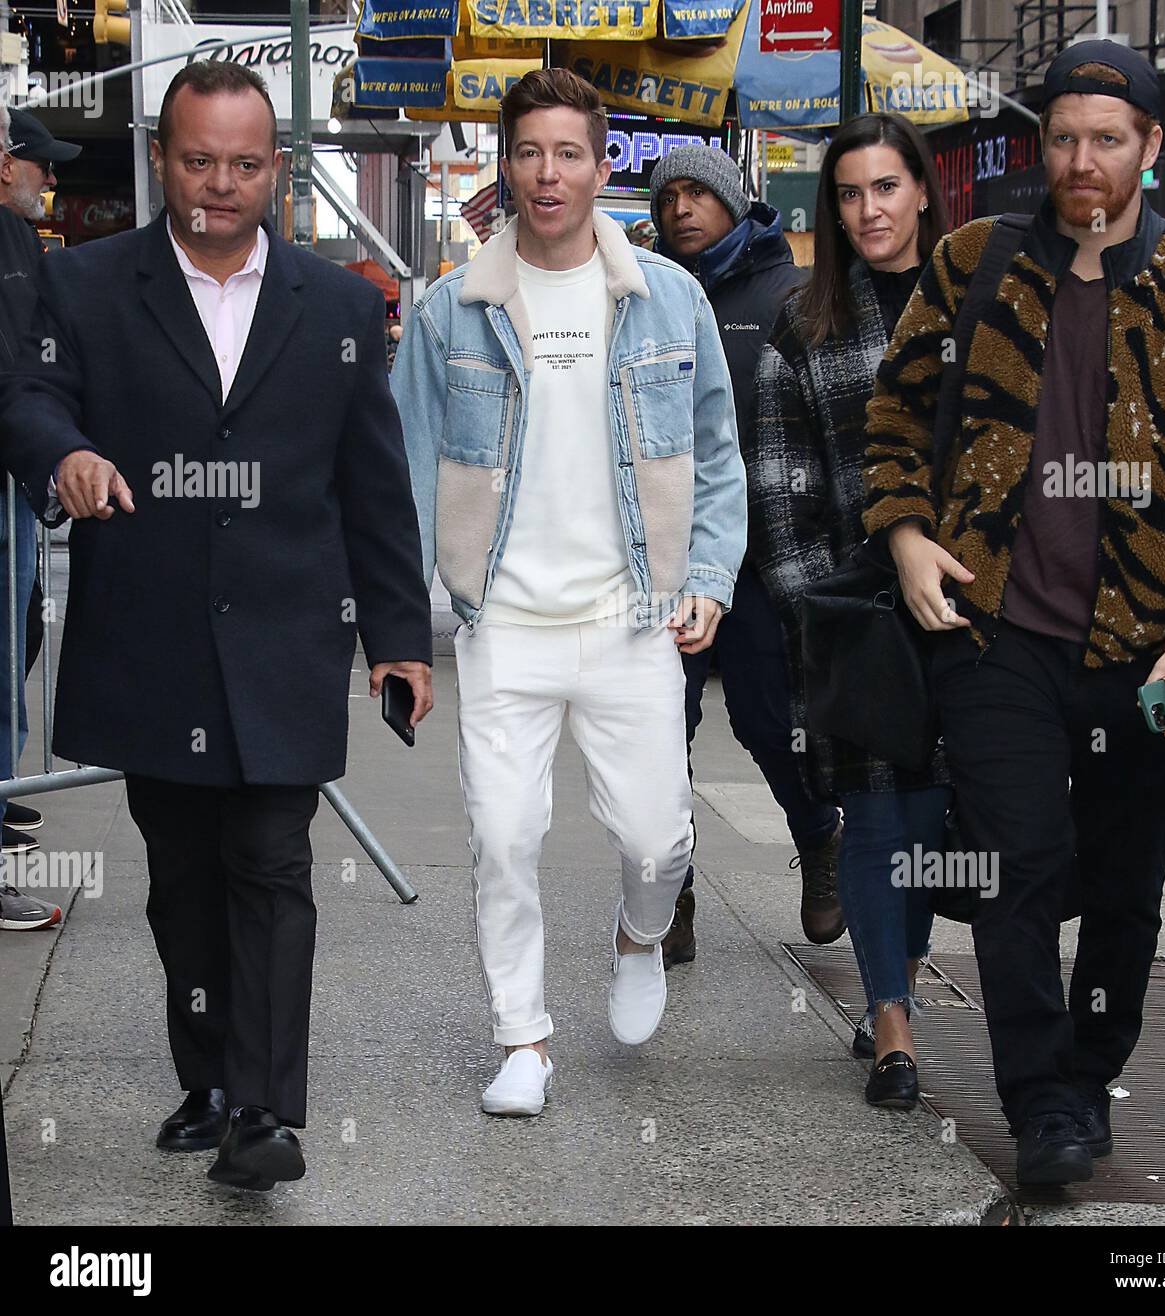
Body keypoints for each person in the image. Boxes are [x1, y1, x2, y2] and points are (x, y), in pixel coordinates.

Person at [0, 62, 433, 1190]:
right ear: (161, 157)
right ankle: (206, 1075)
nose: (220, 184)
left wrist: (397, 634)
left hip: (290, 634)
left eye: (245, 164)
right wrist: (69, 456)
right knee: (182, 877)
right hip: (151, 638)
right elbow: (29, 401)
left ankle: (262, 1110)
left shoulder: (339, 306)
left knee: (273, 863)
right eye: (199, 160)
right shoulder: (85, 284)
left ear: (277, 169)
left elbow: (372, 483)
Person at [864, 42, 1165, 1184]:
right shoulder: (969, 265)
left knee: (1120, 885)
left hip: (1143, 643)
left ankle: (1091, 1070)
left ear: (1151, 147)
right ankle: (1042, 1101)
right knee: (1010, 868)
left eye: (1107, 138)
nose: (1081, 160)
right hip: (995, 628)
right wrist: (907, 536)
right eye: (1062, 138)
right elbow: (895, 422)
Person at [392, 68, 745, 1118]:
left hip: (631, 614)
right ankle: (523, 1036)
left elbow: (718, 455)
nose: (549, 174)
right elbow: (404, 468)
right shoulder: (452, 308)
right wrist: (400, 625)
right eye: (530, 153)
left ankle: (639, 935)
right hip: (500, 619)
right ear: (506, 164)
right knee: (502, 835)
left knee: (657, 838)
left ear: (602, 166)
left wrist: (710, 579)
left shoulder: (667, 298)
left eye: (569, 154)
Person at [747, 113, 952, 1110]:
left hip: (973, 608)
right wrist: (817, 609)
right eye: (848, 192)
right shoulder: (803, 322)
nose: (867, 208)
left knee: (938, 815)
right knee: (873, 812)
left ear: (920, 190)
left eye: (884, 186)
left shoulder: (983, 310)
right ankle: (891, 1024)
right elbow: (778, 489)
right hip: (860, 614)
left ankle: (897, 971)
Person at [649, 144, 843, 961]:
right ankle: (675, 890)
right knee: (661, 730)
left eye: (699, 193)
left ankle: (819, 845)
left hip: (764, 558)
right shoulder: (646, 293)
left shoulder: (789, 292)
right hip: (663, 559)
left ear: (736, 200)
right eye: (668, 198)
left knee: (771, 722)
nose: (681, 210)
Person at [0, 107, 79, 898]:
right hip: (12, 471)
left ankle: (4, 793)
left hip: (17, 476)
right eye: (40, 165)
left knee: (16, 627)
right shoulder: (12, 241)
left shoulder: (23, 243)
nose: (51, 180)